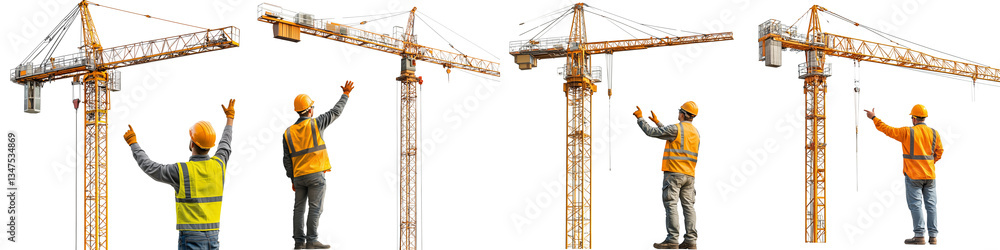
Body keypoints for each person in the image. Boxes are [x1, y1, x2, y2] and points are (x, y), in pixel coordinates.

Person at [123, 99, 236, 250]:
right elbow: (225, 143)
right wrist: (230, 119)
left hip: (191, 238)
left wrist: (133, 143)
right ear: (210, 146)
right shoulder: (219, 164)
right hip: (213, 237)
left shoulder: (181, 171)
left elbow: (150, 167)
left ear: (192, 143)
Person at [284, 81, 354, 249]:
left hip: (299, 176)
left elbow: (287, 160)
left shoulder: (288, 133)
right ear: (310, 110)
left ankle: (299, 243)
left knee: (299, 209)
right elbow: (335, 112)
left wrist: (292, 178)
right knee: (315, 208)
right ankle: (312, 240)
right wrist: (345, 94)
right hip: (315, 175)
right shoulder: (316, 123)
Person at [865, 104, 943, 245]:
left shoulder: (907, 132)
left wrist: (874, 118)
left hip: (913, 175)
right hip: (930, 176)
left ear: (913, 118)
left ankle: (919, 236)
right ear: (924, 118)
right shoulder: (934, 133)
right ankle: (933, 237)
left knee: (916, 205)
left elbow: (887, 130)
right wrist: (929, 164)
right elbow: (940, 152)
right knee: (931, 206)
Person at [634, 101, 700, 249]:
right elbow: (671, 135)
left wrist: (640, 118)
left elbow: (651, 132)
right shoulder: (696, 132)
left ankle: (672, 239)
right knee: (689, 206)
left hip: (674, 174)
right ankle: (691, 240)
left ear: (682, 114)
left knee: (671, 205)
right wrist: (658, 122)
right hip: (689, 175)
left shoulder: (676, 128)